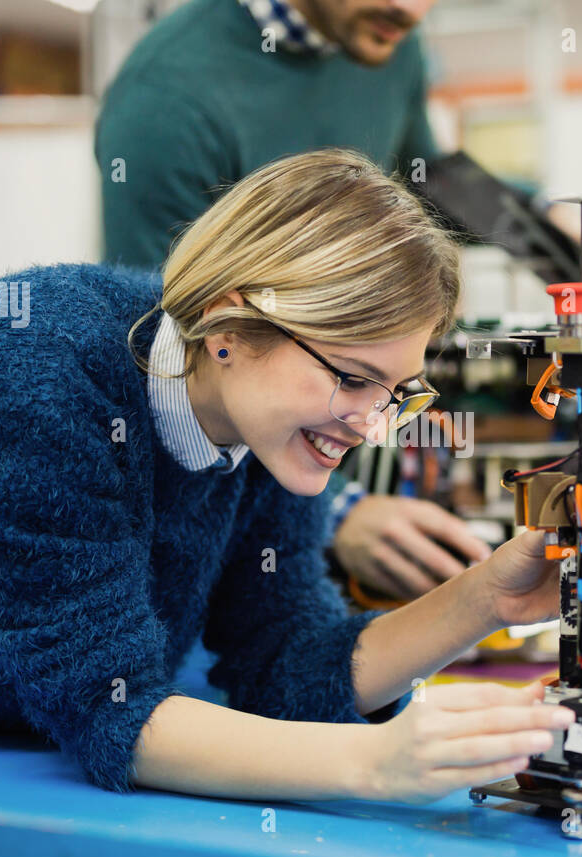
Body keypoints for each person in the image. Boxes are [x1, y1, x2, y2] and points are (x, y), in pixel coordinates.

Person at [0, 149, 574, 801]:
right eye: (353, 379)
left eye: (397, 392)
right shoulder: (42, 379)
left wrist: (484, 600)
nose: (370, 423)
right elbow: (107, 709)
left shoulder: (268, 425)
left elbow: (285, 661)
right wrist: (373, 765)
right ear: (228, 325)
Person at [95, 0, 491, 601]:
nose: (413, 10)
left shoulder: (385, 35)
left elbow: (427, 190)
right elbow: (176, 349)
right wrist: (338, 512)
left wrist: (551, 231)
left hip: (298, 459)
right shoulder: (165, 99)